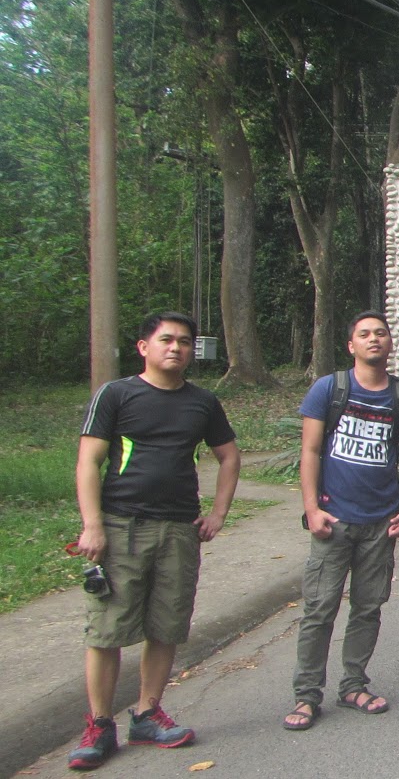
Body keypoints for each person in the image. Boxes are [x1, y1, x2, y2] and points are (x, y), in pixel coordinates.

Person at [70, 312, 241, 770]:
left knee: (167, 624)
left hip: (179, 529)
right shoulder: (116, 394)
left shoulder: (202, 402)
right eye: (166, 339)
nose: (176, 348)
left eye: (184, 341)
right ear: (144, 347)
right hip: (121, 526)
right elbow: (88, 461)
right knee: (107, 629)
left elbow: (228, 456)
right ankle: (99, 725)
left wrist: (218, 513)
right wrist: (92, 524)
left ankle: (148, 714)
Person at [283, 311, 399, 731]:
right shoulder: (330, 389)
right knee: (319, 609)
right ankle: (307, 694)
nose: (373, 339)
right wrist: (312, 509)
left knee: (368, 607)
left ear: (390, 343)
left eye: (380, 333)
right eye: (364, 334)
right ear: (351, 345)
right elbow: (310, 451)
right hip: (334, 520)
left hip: (381, 522)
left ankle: (353, 685)